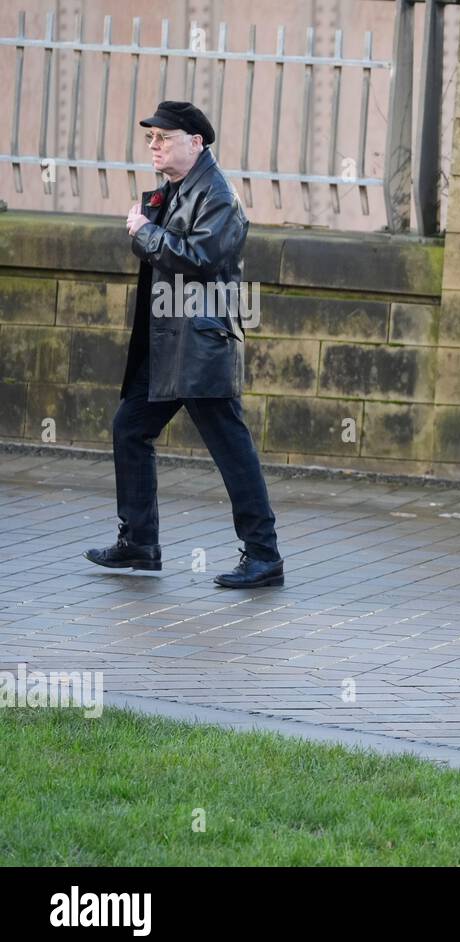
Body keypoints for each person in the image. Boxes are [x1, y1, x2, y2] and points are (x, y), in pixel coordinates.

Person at [84, 101, 283, 589]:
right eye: (150, 138)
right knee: (129, 428)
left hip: (199, 344)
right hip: (168, 343)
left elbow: (199, 258)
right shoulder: (175, 191)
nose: (154, 146)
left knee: (231, 449)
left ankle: (264, 556)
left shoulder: (217, 195)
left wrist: (145, 232)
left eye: (163, 137)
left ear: (196, 142)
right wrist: (149, 227)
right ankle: (138, 544)